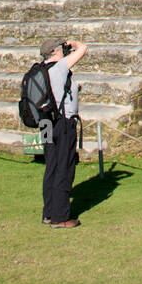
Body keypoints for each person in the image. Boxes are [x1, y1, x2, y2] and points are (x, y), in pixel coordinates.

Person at [39, 37, 87, 229]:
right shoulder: (58, 67)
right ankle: (60, 216)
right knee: (64, 167)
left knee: (51, 165)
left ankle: (49, 213)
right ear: (55, 52)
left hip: (45, 123)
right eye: (61, 49)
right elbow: (83, 49)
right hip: (62, 123)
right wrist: (73, 42)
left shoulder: (40, 70)